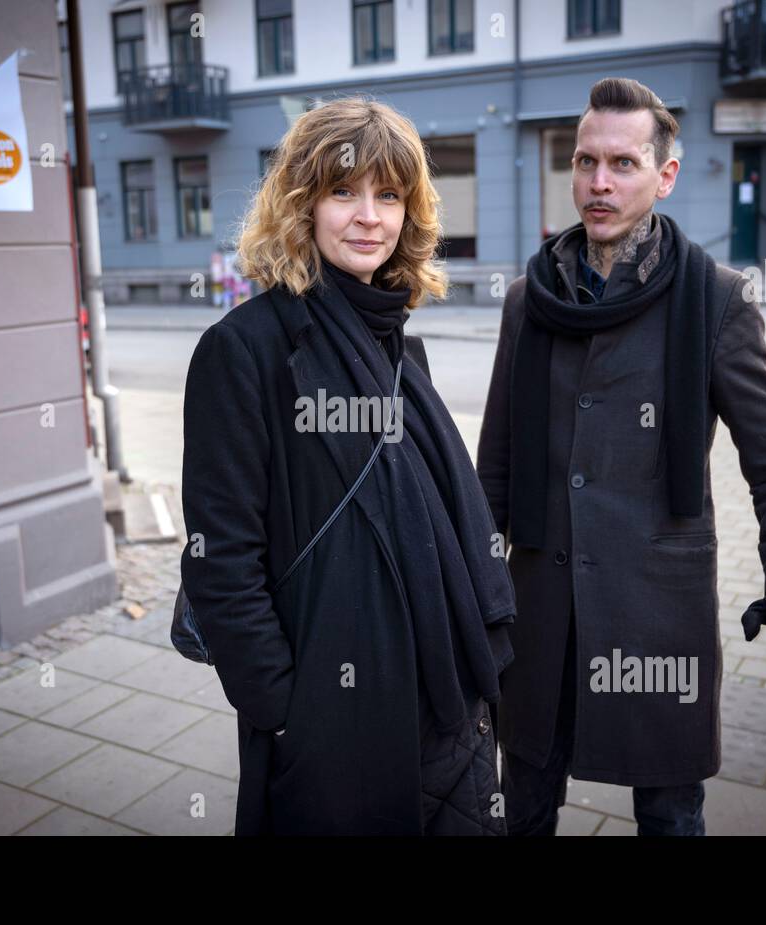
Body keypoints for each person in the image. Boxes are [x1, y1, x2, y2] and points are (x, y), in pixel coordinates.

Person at [476, 77, 766, 836]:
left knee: (672, 818)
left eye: (622, 163)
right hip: (542, 613)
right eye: (584, 162)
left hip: (655, 616)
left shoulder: (715, 300)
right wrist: (471, 591)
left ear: (665, 175)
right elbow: (497, 468)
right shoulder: (528, 299)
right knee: (521, 808)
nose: (599, 183)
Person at [179, 96, 515, 835]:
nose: (369, 216)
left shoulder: (402, 342)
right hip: (337, 723)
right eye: (343, 191)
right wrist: (287, 710)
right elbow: (220, 562)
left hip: (449, 704)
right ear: (302, 202)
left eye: (388, 194)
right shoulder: (244, 351)